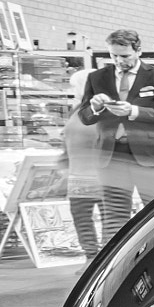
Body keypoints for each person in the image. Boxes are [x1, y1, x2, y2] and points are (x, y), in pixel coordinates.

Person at [79, 28, 154, 235]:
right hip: (111, 158)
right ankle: (117, 266)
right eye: (113, 55)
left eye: (125, 56)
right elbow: (84, 117)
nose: (119, 61)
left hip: (151, 158)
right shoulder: (96, 78)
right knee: (114, 220)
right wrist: (95, 107)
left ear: (138, 51)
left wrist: (134, 111)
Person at [57, 67, 106, 259]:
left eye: (75, 86)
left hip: (104, 176)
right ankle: (91, 258)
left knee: (110, 221)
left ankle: (107, 263)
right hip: (78, 176)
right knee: (81, 218)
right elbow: (67, 140)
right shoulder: (76, 110)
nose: (73, 91)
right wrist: (64, 166)